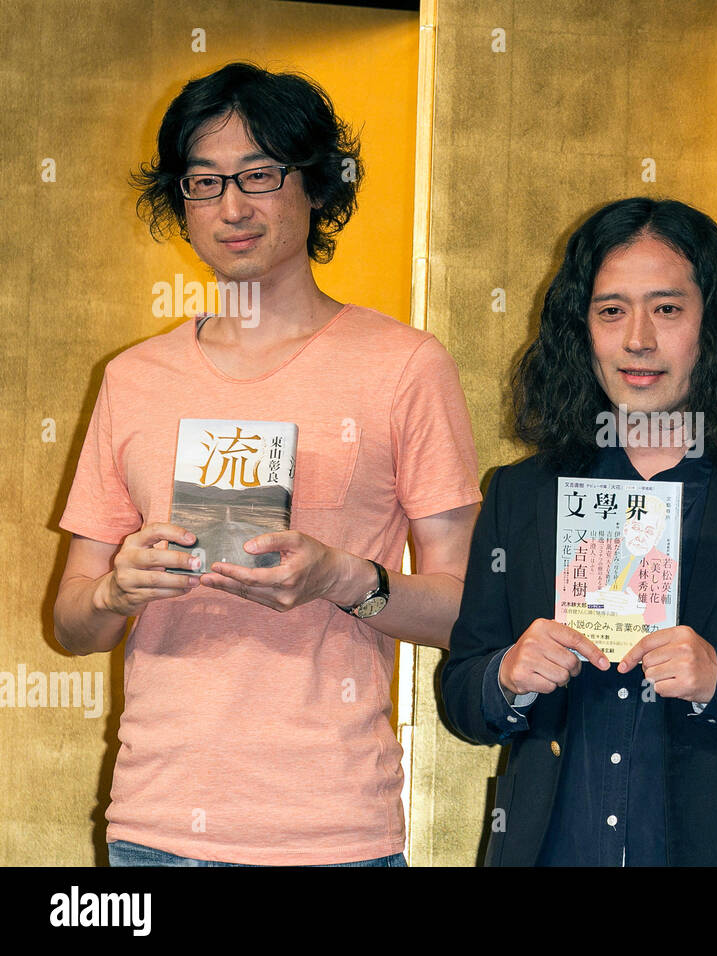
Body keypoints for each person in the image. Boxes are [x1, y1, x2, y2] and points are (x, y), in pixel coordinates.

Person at [52, 62, 481, 866]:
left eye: (258, 175)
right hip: (155, 827)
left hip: (333, 832)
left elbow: (467, 612)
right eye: (204, 183)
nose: (232, 208)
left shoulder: (404, 365)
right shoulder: (133, 378)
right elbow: (73, 623)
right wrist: (117, 588)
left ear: (315, 186)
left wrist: (339, 578)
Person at [441, 197, 717, 866]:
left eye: (667, 309)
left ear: (711, 325)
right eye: (611, 311)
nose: (638, 339)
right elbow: (461, 694)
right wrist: (507, 676)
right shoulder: (520, 496)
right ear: (582, 330)